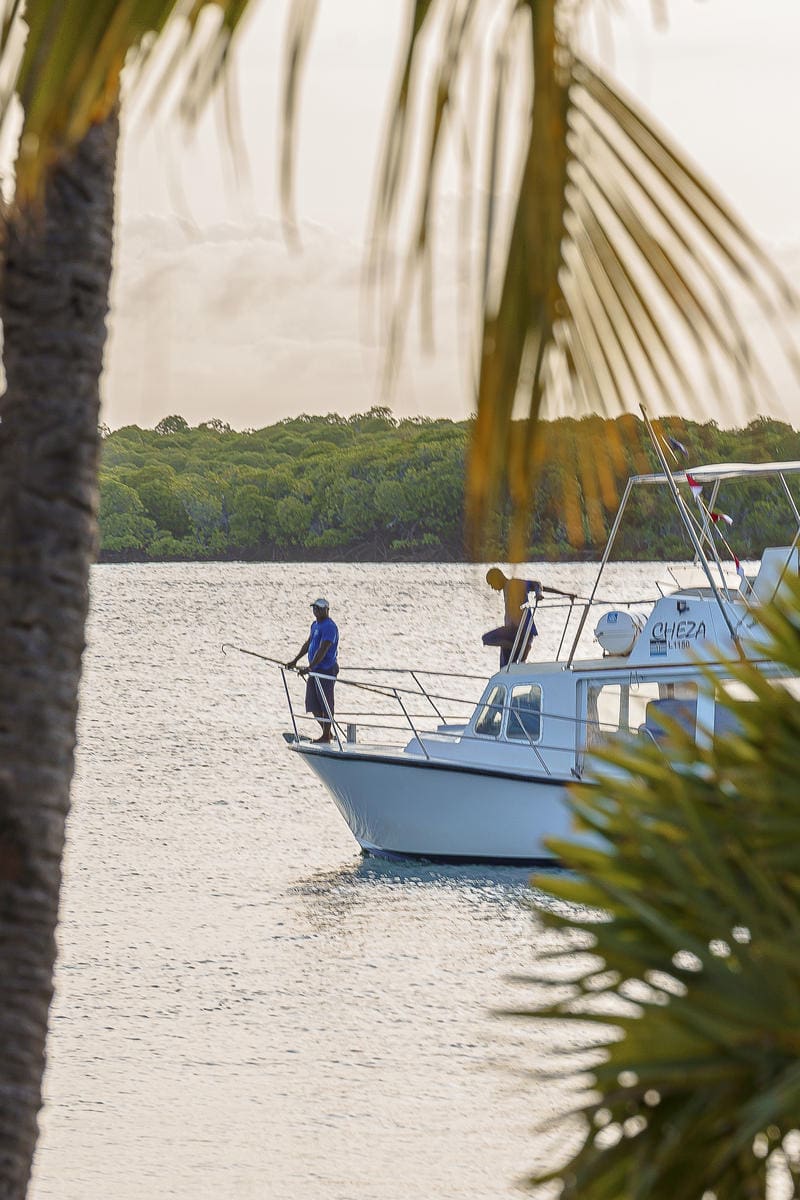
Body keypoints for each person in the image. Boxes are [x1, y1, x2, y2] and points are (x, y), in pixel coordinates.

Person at [286, 598, 340, 743]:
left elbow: (323, 648)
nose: (316, 611)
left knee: (326, 703)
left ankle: (326, 736)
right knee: (312, 704)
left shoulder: (329, 627)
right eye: (314, 608)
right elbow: (308, 644)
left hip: (325, 670)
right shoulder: (315, 625)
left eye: (319, 608)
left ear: (327, 610)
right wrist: (295, 660)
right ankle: (327, 733)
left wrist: (310, 666)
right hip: (314, 670)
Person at [482, 568, 542, 667]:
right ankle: (511, 647)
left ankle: (515, 647)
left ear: (498, 578)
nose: (492, 587)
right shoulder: (507, 588)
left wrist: (538, 594)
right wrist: (564, 593)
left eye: (492, 583)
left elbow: (536, 584)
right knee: (506, 667)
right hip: (513, 634)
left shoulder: (513, 584)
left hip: (518, 631)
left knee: (486, 638)